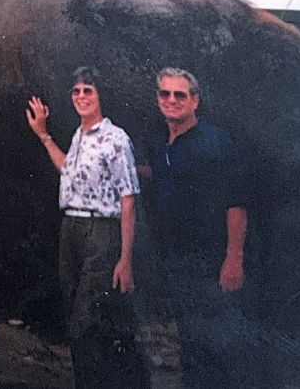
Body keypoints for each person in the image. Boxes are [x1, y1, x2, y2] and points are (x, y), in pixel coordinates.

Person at [27, 67, 147, 389]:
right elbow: (68, 169)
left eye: (88, 91)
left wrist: (125, 259)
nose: (81, 97)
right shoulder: (78, 136)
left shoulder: (115, 139)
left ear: (100, 95)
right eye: (76, 91)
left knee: (87, 322)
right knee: (75, 319)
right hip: (71, 230)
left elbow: (128, 200)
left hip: (101, 234)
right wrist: (43, 134)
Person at [145, 67, 249, 389]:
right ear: (158, 99)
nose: (172, 100)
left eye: (180, 95)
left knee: (221, 350)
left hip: (211, 262)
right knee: (190, 345)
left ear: (195, 101)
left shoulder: (215, 142)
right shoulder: (161, 144)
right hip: (177, 261)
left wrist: (233, 258)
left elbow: (236, 202)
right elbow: (160, 176)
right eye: (165, 94)